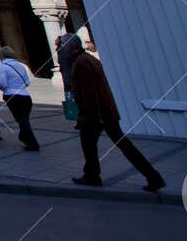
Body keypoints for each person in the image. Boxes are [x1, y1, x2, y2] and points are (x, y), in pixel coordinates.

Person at [63, 35, 164, 191]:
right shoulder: (88, 59)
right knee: (122, 145)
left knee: (90, 146)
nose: (63, 49)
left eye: (64, 46)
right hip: (105, 112)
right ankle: (153, 176)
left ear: (71, 47)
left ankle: (92, 176)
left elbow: (89, 93)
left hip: (96, 115)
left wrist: (92, 116)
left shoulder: (81, 63)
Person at [0, 44, 39, 151]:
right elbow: (27, 82)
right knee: (24, 120)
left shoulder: (3, 66)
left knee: (22, 121)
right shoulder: (21, 65)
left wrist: (5, 88)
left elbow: (2, 83)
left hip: (12, 96)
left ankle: (32, 144)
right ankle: (25, 138)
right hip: (26, 96)